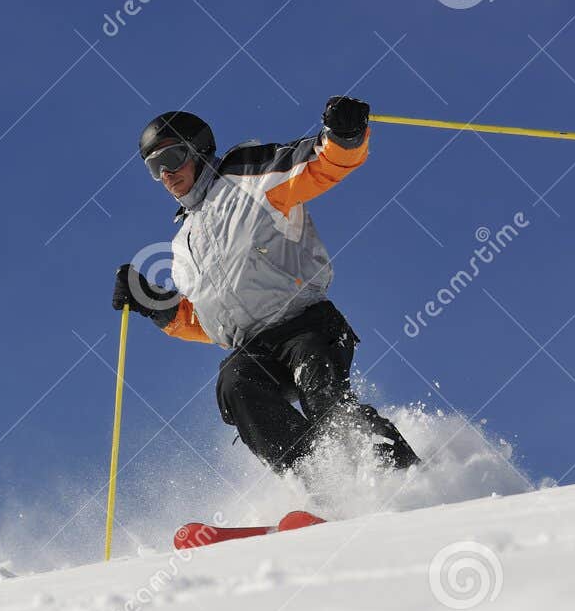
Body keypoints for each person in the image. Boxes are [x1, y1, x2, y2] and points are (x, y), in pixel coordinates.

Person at [112, 98, 420, 480]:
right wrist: (153, 302)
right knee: (236, 385)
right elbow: (211, 319)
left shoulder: (249, 176)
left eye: (172, 158)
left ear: (198, 150)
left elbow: (321, 165)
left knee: (320, 392)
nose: (166, 174)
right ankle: (320, 481)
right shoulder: (183, 244)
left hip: (306, 325)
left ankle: (396, 469)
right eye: (154, 168)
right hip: (255, 347)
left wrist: (345, 134)